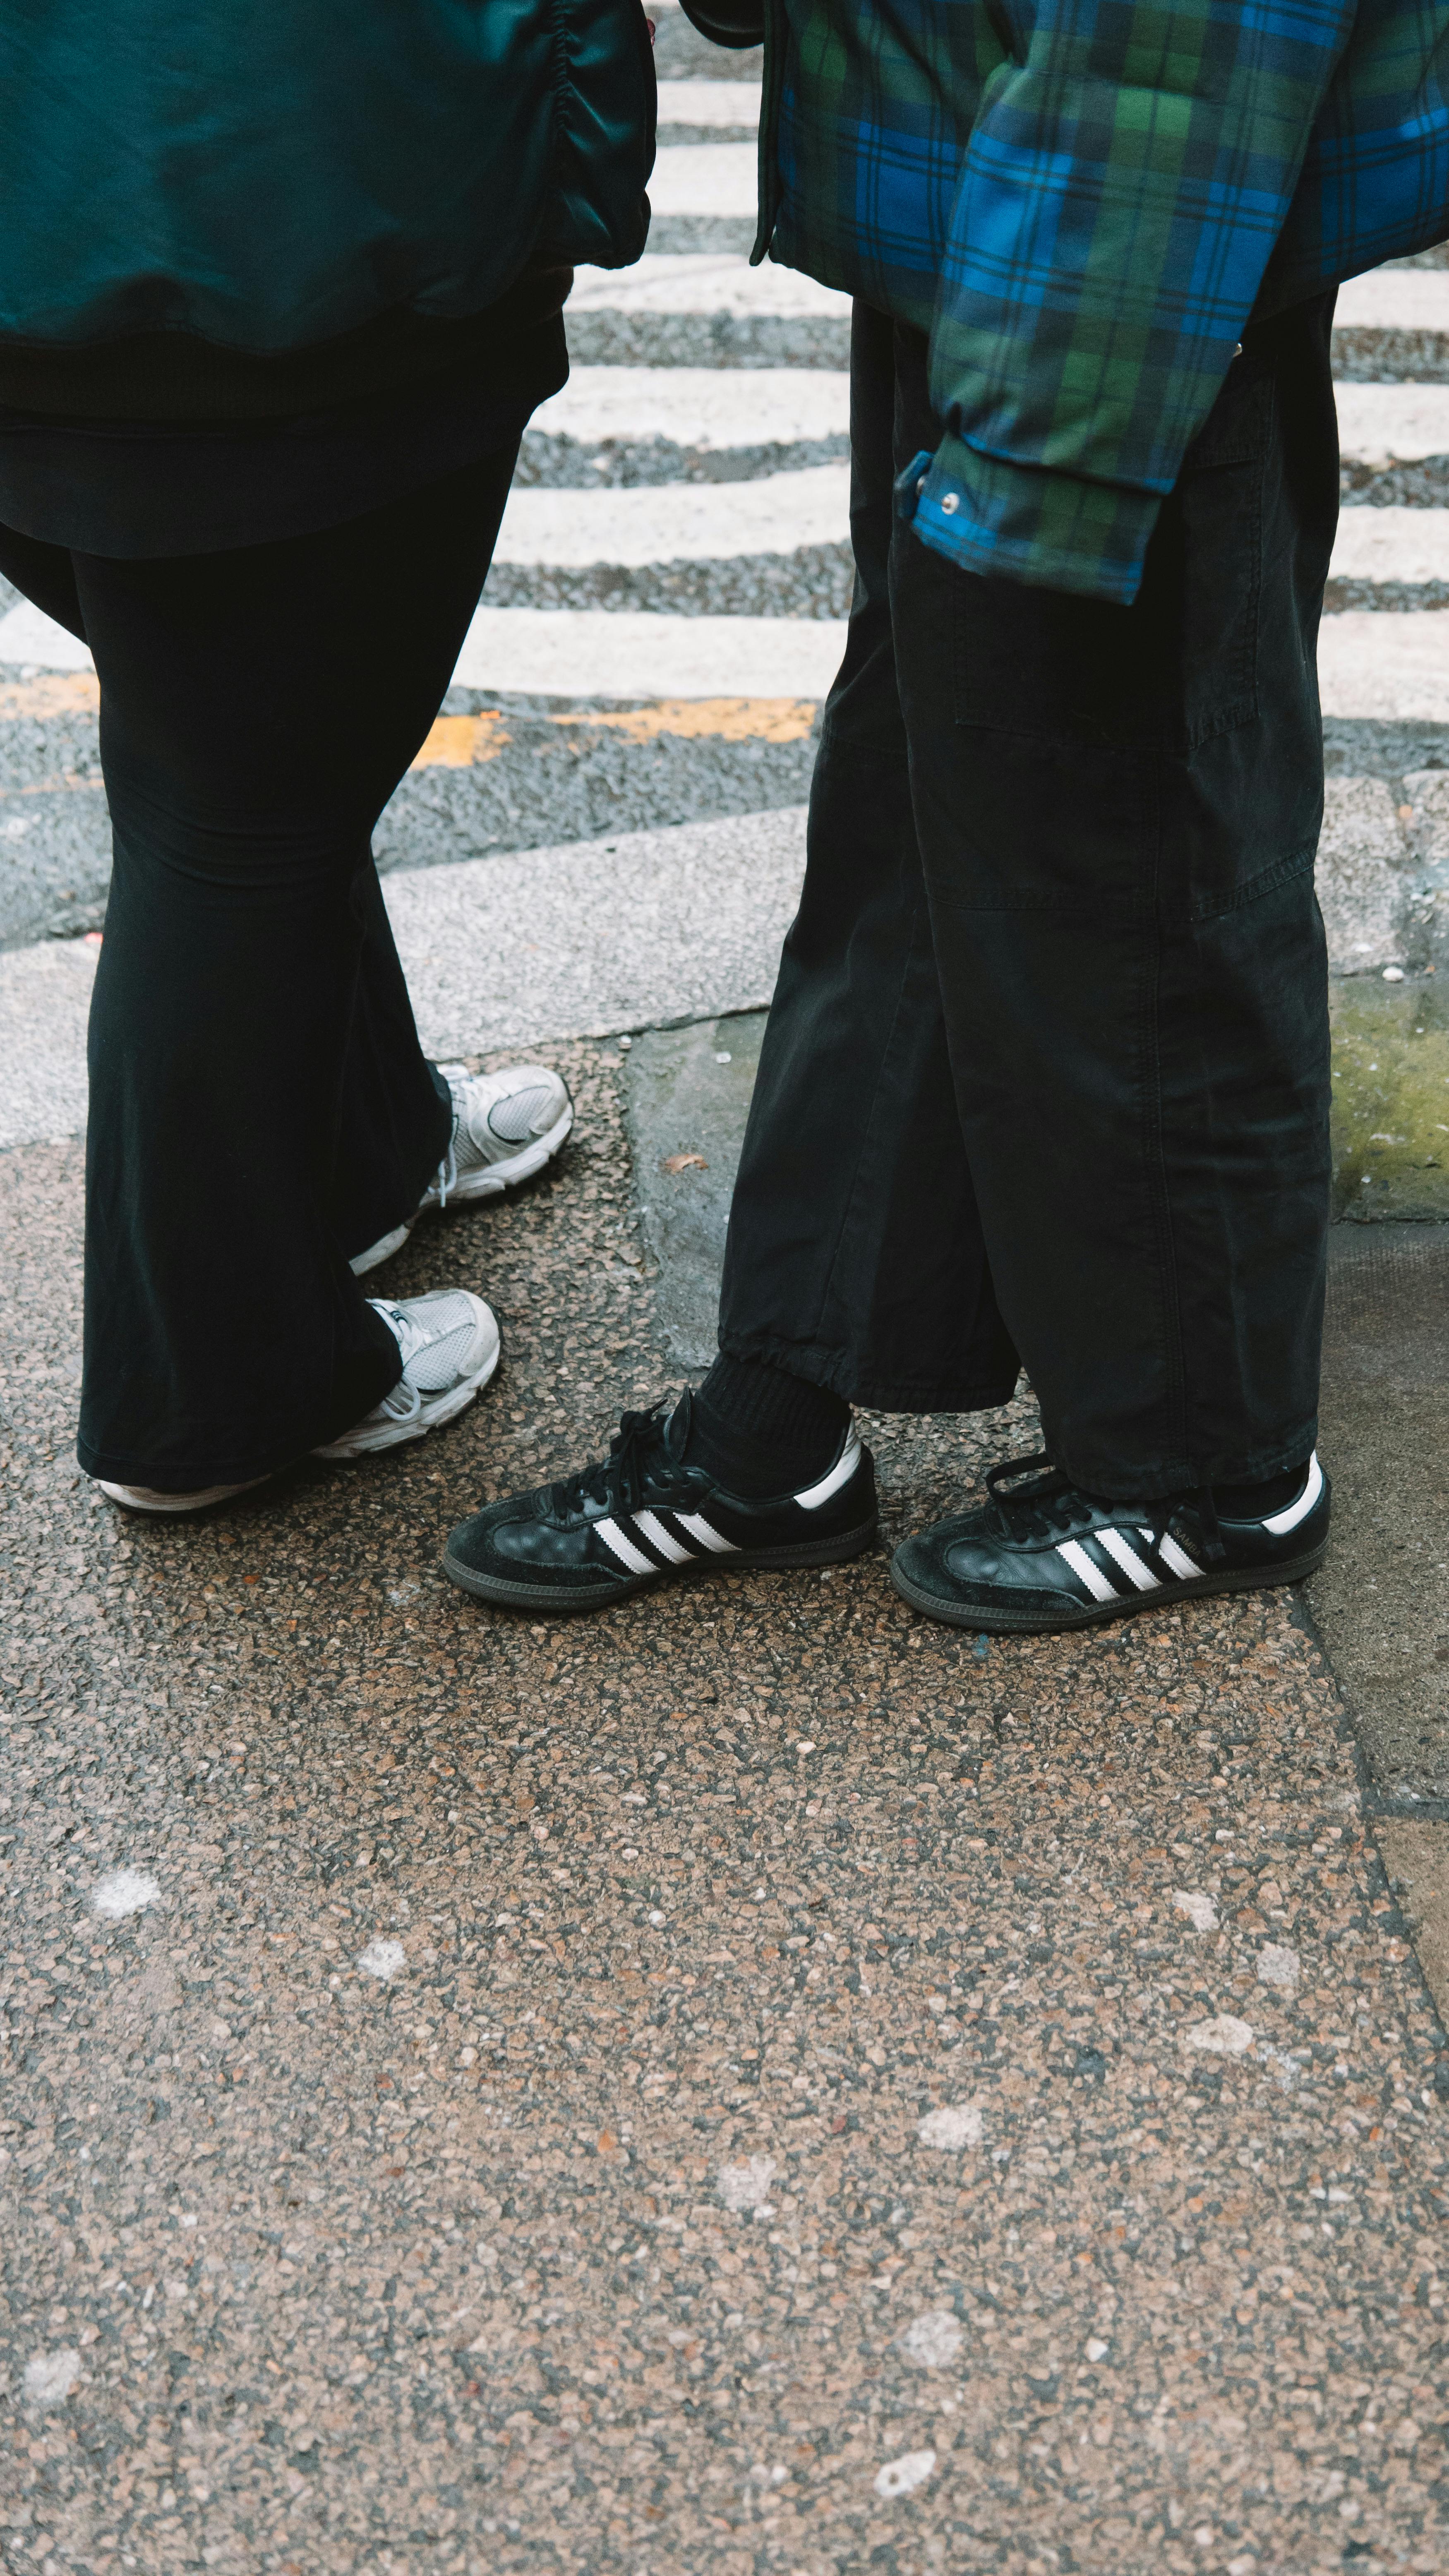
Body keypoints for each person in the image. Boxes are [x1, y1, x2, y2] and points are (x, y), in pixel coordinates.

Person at [444, 0, 1447, 1634]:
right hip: (991, 215)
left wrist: (1055, 448)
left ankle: (1217, 1468)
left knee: (1146, 869)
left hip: (1129, 260)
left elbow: (1188, 41)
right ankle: (786, 1410)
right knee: (919, 814)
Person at [0, 0, 656, 1512]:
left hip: (72, 194)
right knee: (236, 811)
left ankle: (365, 1147)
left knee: (237, 751)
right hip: (306, 208)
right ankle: (215, 1393)